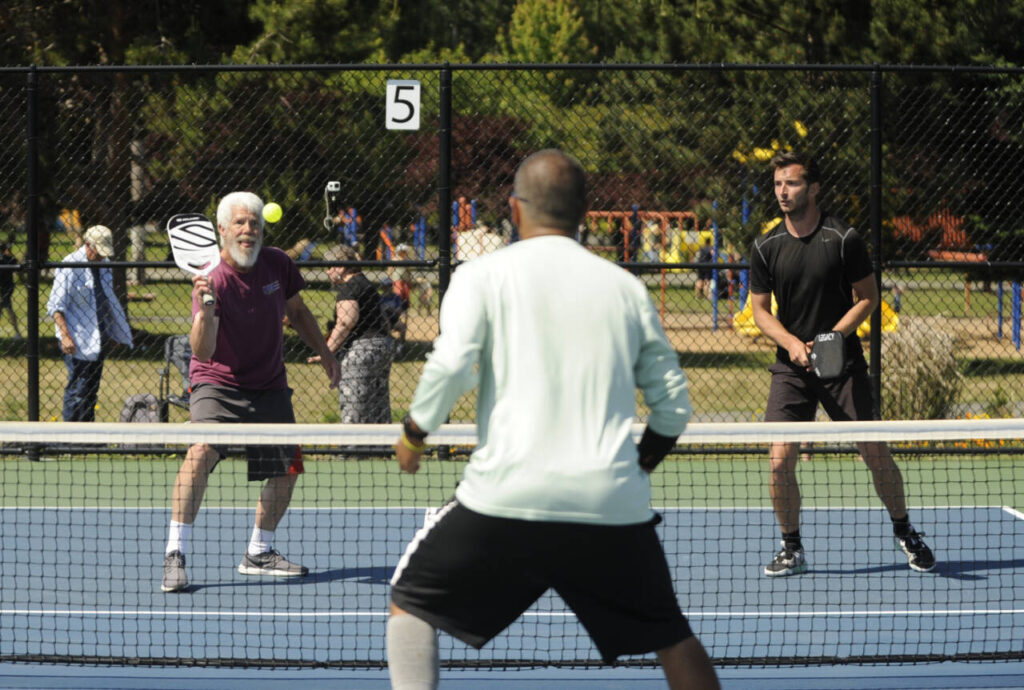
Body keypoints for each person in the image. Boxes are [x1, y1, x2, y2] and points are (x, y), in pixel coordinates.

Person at [386, 150, 720, 690]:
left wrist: (413, 435)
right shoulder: (625, 289)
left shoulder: (481, 276)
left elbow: (451, 366)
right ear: (584, 212)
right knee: (672, 637)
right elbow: (674, 406)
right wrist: (639, 464)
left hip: (505, 498)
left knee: (409, 605)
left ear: (514, 210)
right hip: (610, 502)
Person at [749, 150, 936, 577]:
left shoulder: (843, 238)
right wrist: (793, 344)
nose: (782, 191)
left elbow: (868, 297)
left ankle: (905, 531)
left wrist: (833, 338)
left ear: (813, 188)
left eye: (791, 183)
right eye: (778, 183)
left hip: (842, 367)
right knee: (779, 461)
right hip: (791, 368)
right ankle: (791, 547)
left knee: (874, 451)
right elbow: (761, 311)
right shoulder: (766, 245)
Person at [161, 191, 341, 593]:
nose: (248, 230)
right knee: (201, 451)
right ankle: (175, 554)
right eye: (240, 223)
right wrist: (206, 311)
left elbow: (297, 312)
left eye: (254, 223)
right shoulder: (212, 279)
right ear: (222, 231)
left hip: (269, 383)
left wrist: (326, 353)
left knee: (287, 466)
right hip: (217, 382)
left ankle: (259, 552)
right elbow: (202, 350)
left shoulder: (278, 263)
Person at [46, 225, 133, 421]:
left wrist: (112, 332)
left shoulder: (104, 264)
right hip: (76, 338)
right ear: (88, 245)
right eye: (99, 252)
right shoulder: (70, 265)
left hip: (99, 335)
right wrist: (66, 336)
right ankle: (70, 438)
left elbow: (107, 299)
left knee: (92, 390)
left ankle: (88, 436)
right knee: (77, 389)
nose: (102, 257)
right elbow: (55, 306)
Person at [308, 245, 394, 423]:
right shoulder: (364, 283)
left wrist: (326, 351)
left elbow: (346, 321)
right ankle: (380, 447)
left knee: (354, 403)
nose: (328, 272)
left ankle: (352, 446)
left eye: (329, 266)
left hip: (362, 350)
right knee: (377, 402)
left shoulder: (349, 288)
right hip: (382, 346)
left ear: (341, 267)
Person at [0, 241, 23, 339]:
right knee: (8, 308)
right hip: (8, 286)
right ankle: (17, 332)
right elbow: (18, 269)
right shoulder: (10, 258)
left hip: (5, 287)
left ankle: (17, 332)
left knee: (8, 307)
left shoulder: (6, 259)